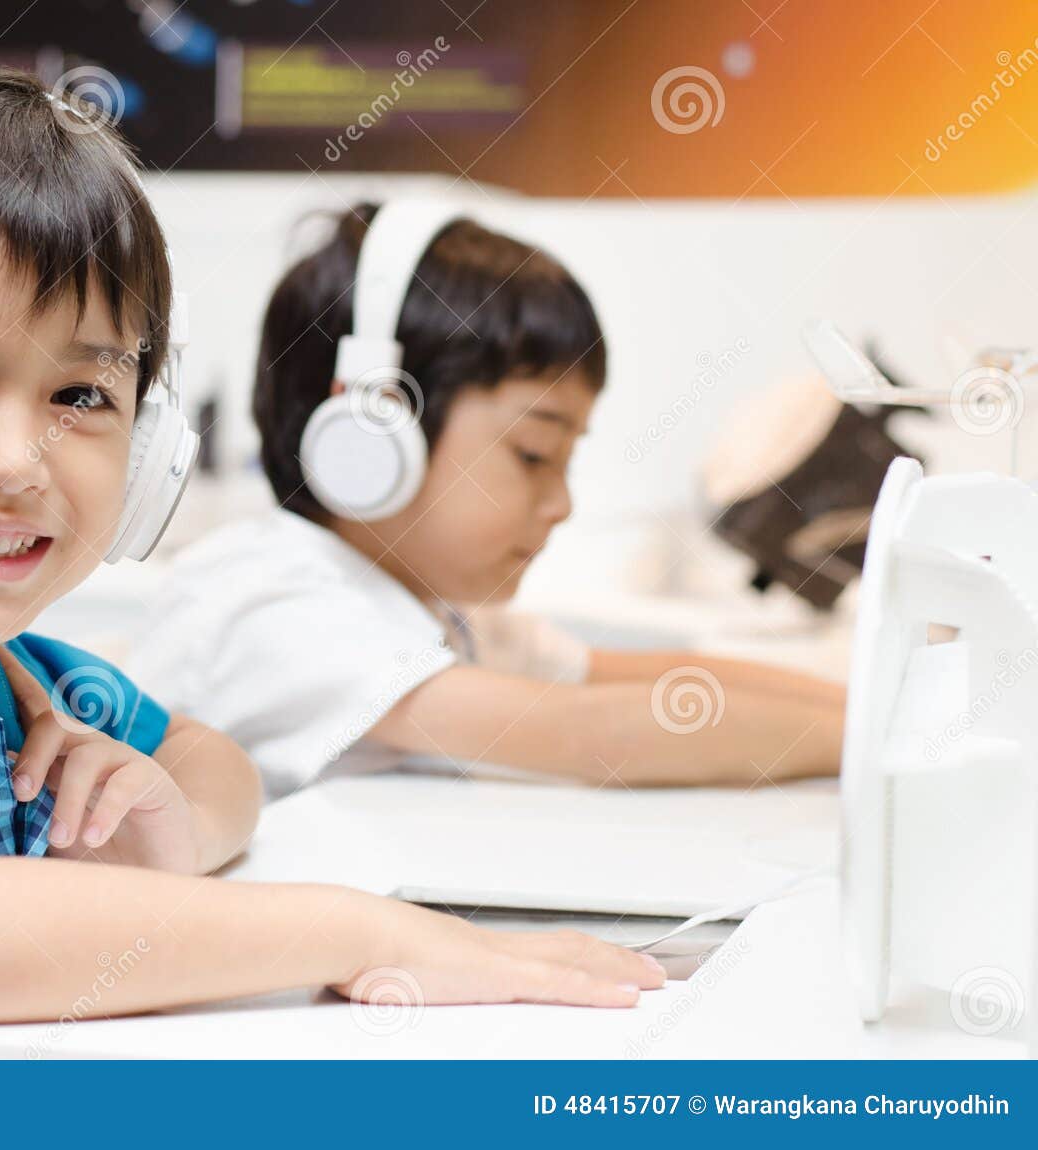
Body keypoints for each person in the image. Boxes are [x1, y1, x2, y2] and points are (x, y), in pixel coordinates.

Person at [0, 69, 662, 1060]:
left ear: (147, 446)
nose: (16, 463)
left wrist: (167, 823)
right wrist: (356, 933)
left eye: (80, 397)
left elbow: (216, 764)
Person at [127, 201, 845, 798]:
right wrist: (868, 744)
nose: (561, 503)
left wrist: (868, 706)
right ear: (375, 431)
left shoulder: (431, 607)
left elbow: (656, 679)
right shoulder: (279, 603)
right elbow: (589, 733)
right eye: (534, 454)